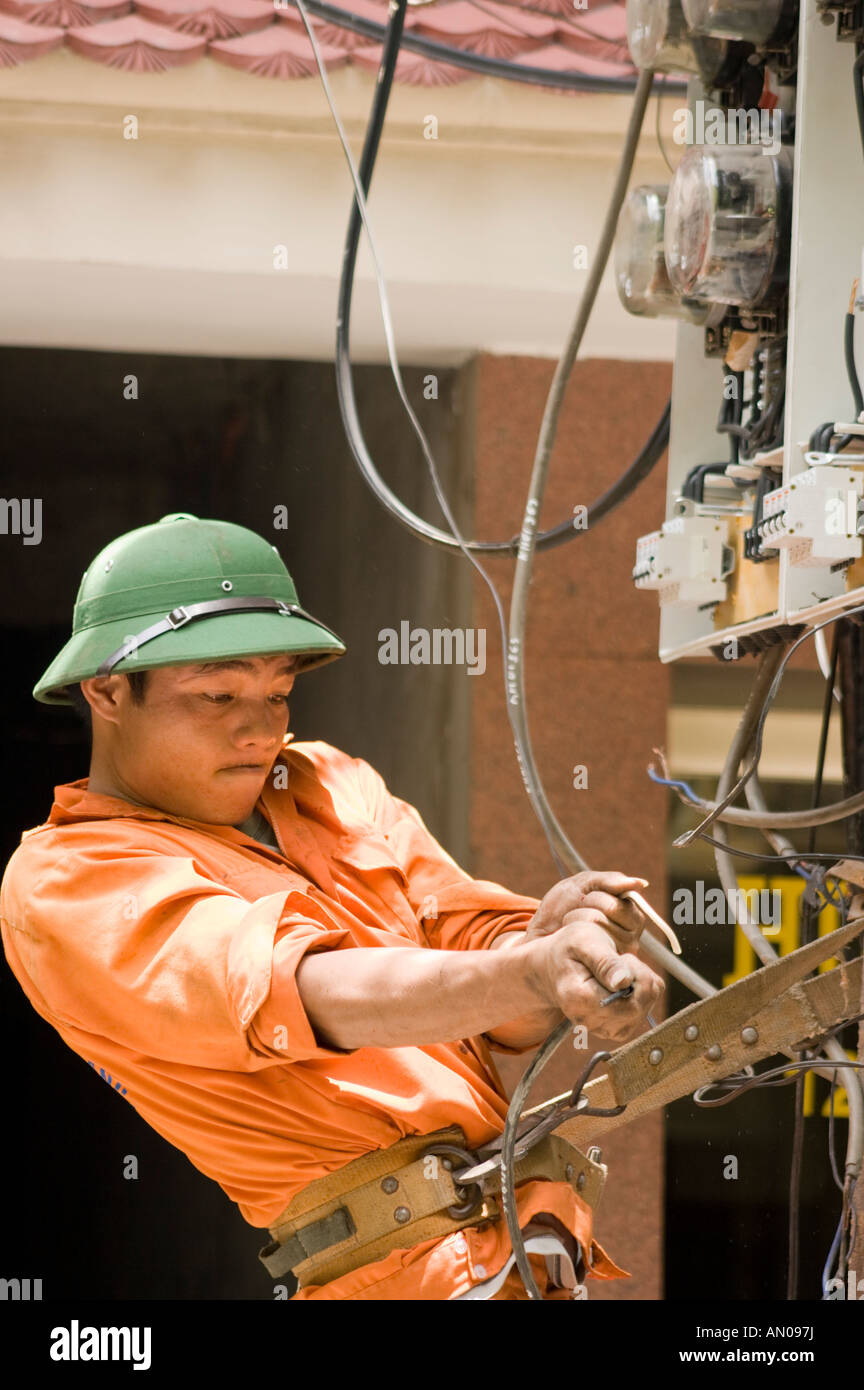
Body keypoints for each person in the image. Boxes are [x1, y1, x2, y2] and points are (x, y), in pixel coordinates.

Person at [0, 512, 664, 1301]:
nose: (261, 728)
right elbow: (314, 993)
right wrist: (530, 970)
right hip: (386, 1276)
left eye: (279, 691)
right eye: (218, 694)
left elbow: (492, 999)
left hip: (519, 1256)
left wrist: (552, 947)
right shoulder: (65, 879)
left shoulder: (325, 780)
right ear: (107, 691)